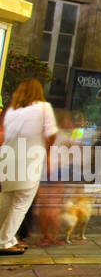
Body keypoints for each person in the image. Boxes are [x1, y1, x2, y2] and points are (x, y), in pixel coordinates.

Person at [0, 79, 58, 254]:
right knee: (21, 204)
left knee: (6, 200)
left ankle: (7, 238)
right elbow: (52, 133)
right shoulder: (44, 107)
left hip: (6, 159)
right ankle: (4, 241)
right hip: (29, 160)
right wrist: (47, 150)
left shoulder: (11, 110)